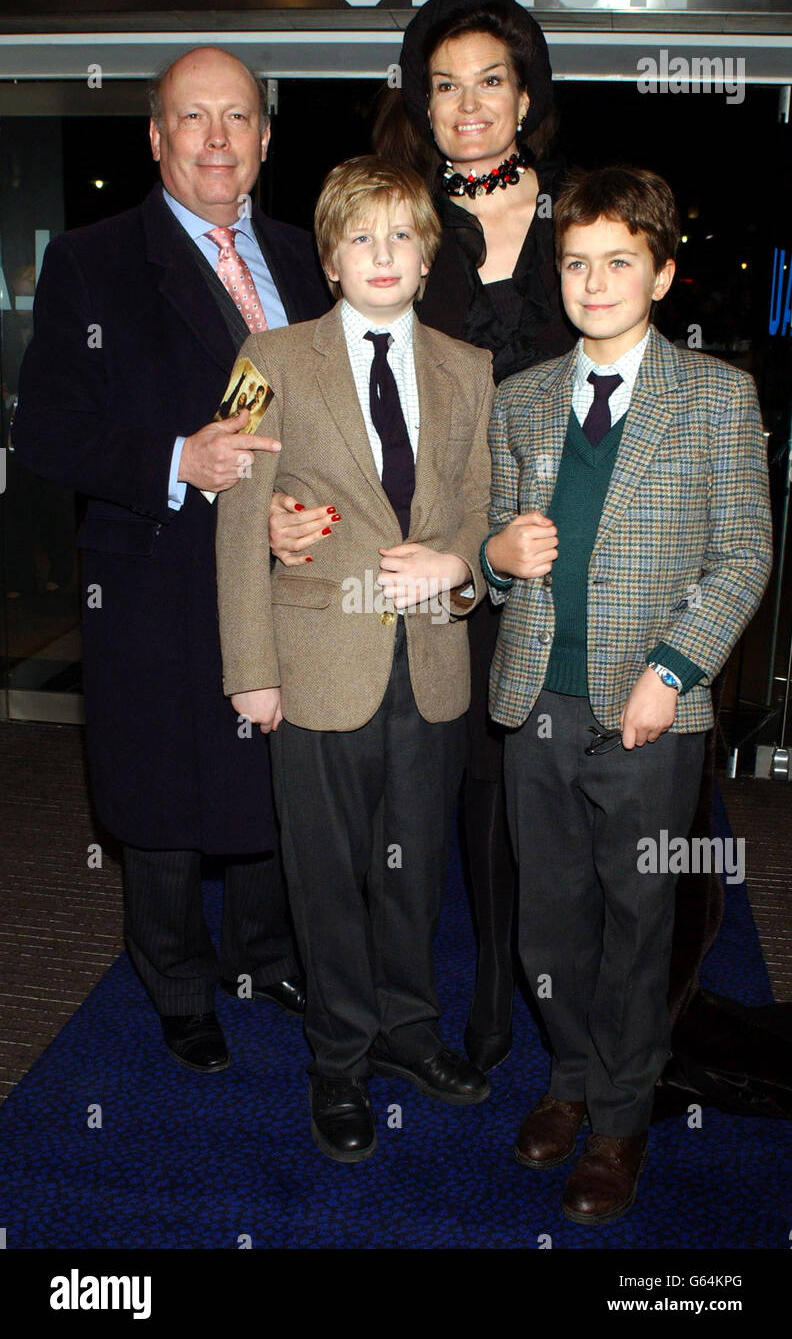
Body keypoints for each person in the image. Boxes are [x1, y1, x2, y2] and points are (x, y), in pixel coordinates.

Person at [269, 0, 575, 1074]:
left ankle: (512, 1010)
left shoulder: (576, 217)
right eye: (445, 85)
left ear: (525, 93)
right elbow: (283, 411)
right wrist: (266, 505)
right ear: (421, 103)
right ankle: (415, 1023)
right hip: (419, 583)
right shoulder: (393, 217)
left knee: (537, 801)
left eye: (491, 79)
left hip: (558, 560)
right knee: (444, 802)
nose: (469, 104)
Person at [13, 47, 330, 1073]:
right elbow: (46, 435)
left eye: (236, 117)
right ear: (156, 138)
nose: (217, 139)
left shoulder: (306, 252)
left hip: (291, 568)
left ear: (266, 136)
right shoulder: (92, 260)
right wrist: (175, 459)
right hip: (156, 569)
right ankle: (178, 983)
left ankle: (262, 952)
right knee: (160, 788)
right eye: (193, 119)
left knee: (271, 767)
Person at [484, 166, 772, 1222]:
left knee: (639, 921)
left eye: (618, 262)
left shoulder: (716, 395)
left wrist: (674, 671)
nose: (594, 282)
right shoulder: (519, 402)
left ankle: (618, 1118)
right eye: (575, 263)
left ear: (661, 273)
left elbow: (743, 555)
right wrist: (491, 547)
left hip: (653, 708)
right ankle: (568, 1077)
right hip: (537, 705)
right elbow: (483, 562)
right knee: (549, 926)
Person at [215, 156, 494, 1162]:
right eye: (360, 237)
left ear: (426, 260)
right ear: (330, 257)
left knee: (415, 870)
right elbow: (239, 518)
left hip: (430, 664)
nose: (383, 255)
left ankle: (408, 1032)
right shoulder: (266, 355)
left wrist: (457, 562)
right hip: (315, 658)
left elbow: (476, 505)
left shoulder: (471, 369)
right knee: (326, 875)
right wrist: (251, 665)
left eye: (402, 238)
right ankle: (337, 1056)